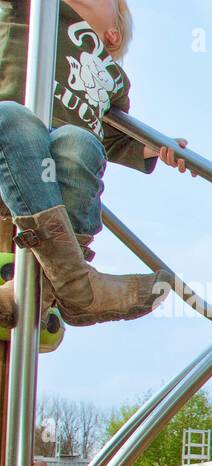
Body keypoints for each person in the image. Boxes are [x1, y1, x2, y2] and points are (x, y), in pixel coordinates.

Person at [0, 0, 192, 328]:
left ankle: (43, 289)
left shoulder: (113, 79)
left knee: (80, 142)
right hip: (11, 163)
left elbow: (112, 138)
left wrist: (154, 147)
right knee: (14, 117)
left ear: (112, 35)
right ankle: (81, 288)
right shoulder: (34, 10)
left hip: (56, 193)